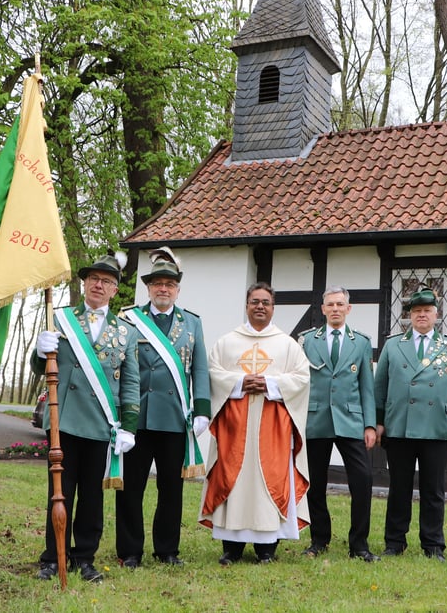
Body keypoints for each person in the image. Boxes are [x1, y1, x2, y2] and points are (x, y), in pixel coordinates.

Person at [32, 252, 140, 583]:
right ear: (85, 283)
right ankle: (53, 557)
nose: (98, 285)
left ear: (114, 290)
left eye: (106, 281)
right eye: (94, 278)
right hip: (63, 421)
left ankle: (84, 557)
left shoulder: (127, 332)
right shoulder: (59, 319)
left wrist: (130, 428)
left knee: (92, 496)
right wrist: (38, 351)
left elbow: (132, 382)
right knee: (59, 492)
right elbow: (41, 368)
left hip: (100, 424)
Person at [199, 281, 311, 564]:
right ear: (246, 305)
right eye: (255, 301)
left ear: (273, 308)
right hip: (234, 428)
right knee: (232, 481)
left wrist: (270, 383)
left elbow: (301, 379)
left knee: (269, 482)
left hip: (273, 428)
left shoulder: (287, 345)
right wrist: (238, 381)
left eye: (266, 302)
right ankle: (231, 548)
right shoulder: (227, 342)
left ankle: (266, 549)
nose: (260, 306)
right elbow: (212, 374)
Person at [115, 248, 210, 568]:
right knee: (130, 490)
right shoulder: (129, 319)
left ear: (177, 289)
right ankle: (130, 551)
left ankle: (167, 550)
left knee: (172, 489)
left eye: (169, 283)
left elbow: (199, 370)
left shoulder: (192, 323)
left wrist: (202, 411)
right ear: (148, 288)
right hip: (136, 417)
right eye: (157, 283)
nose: (163, 289)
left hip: (173, 418)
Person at [374, 287, 447, 562]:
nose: (421, 315)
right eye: (416, 311)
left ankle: (433, 545)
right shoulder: (393, 345)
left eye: (427, 311)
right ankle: (394, 542)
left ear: (436, 315)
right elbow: (379, 387)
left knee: (433, 490)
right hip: (400, 427)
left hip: (437, 426)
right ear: (409, 316)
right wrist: (378, 423)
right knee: (399, 488)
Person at [298, 286, 379, 562]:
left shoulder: (361, 342)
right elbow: (300, 384)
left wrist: (370, 425)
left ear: (348, 309)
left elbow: (367, 387)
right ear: (322, 309)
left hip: (351, 420)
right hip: (316, 420)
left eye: (340, 304)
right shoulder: (307, 340)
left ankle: (359, 544)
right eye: (330, 304)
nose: (335, 308)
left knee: (363, 480)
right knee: (315, 484)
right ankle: (319, 540)